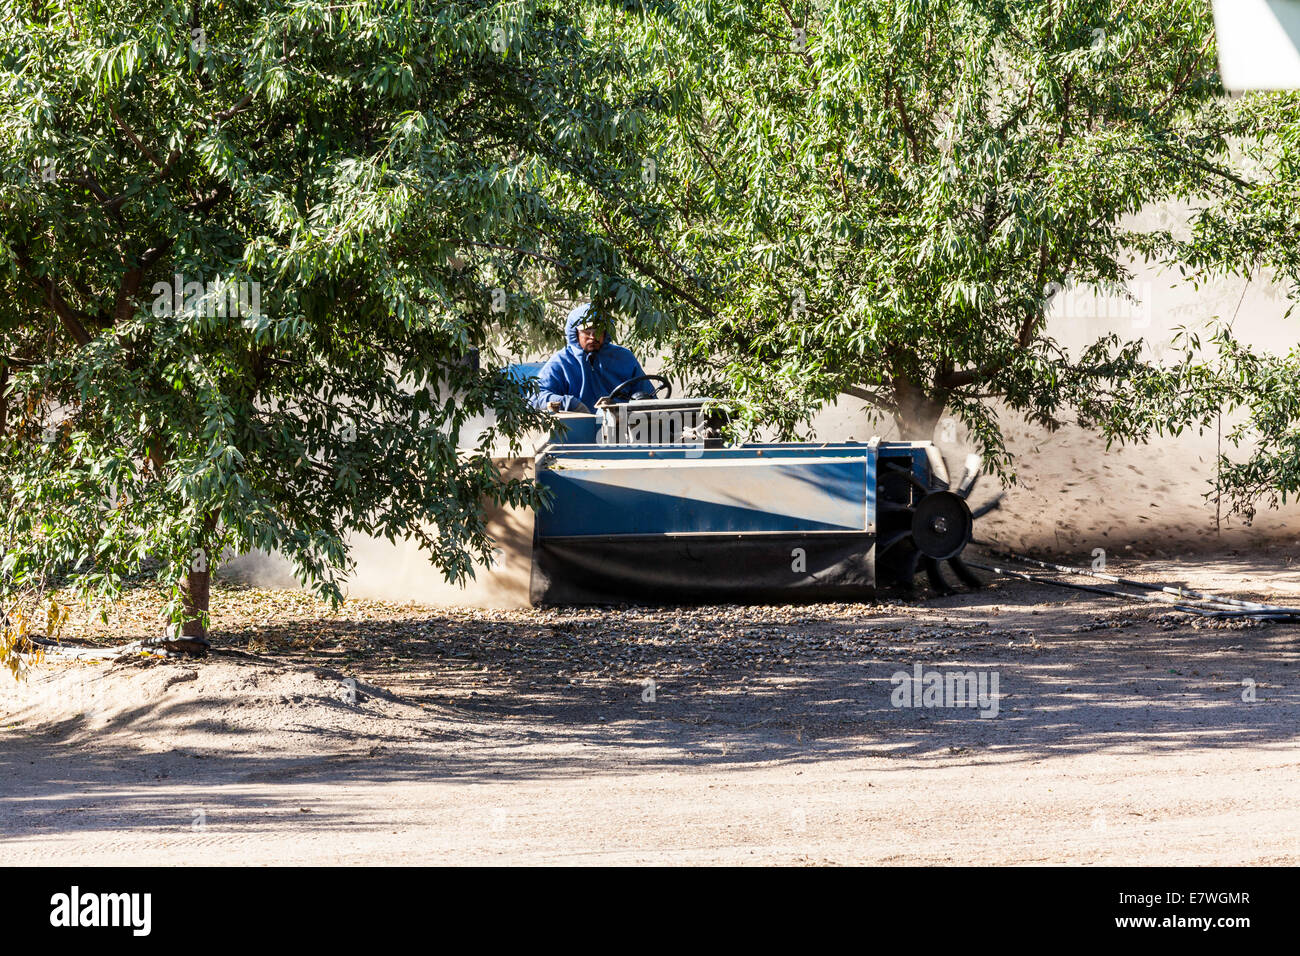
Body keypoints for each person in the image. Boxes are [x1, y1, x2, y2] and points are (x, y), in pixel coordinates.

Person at [532, 303, 654, 413]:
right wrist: (570, 403)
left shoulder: (624, 358)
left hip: (623, 427)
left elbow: (650, 396)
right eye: (586, 331)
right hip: (579, 431)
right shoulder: (561, 362)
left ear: (606, 332)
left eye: (599, 331)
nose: (593, 337)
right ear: (575, 332)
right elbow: (536, 397)